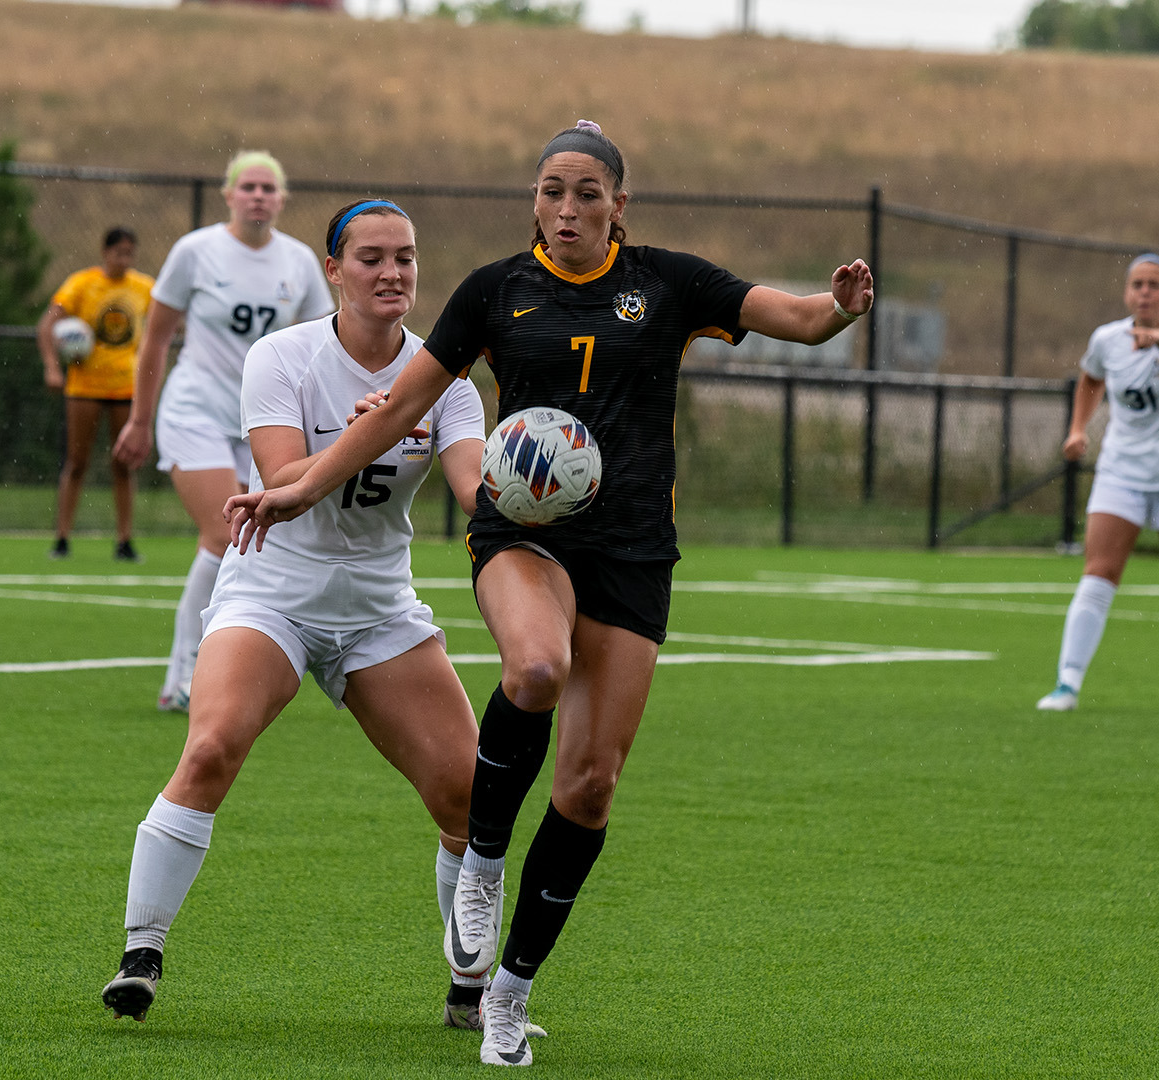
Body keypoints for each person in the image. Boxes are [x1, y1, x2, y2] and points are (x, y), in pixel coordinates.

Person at [225, 120, 874, 1068]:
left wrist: (841, 306)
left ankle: (509, 996)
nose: (565, 209)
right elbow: (403, 405)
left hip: (633, 553)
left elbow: (800, 318)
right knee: (533, 667)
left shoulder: (671, 284)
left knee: (591, 784)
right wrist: (297, 488)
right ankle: (482, 864)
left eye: (585, 193)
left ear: (619, 203)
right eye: (550, 191)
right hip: (523, 534)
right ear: (534, 200)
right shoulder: (494, 292)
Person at [101, 199, 503, 1030]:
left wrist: (521, 481)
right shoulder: (282, 356)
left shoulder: (448, 381)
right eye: (371, 258)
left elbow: (474, 491)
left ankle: (471, 992)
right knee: (210, 747)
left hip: (378, 606)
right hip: (273, 592)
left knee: (468, 798)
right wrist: (367, 435)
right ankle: (141, 954)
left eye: (406, 257)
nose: (393, 273)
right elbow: (282, 482)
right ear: (333, 271)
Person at [113, 151, 334, 712]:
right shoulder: (197, 252)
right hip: (196, 411)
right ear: (229, 195)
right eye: (249, 186)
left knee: (247, 547)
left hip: (261, 420)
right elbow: (157, 339)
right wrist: (140, 419)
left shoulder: (300, 261)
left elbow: (318, 348)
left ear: (282, 200)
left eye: (269, 188)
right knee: (223, 535)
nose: (258, 196)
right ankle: (182, 677)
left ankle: (227, 668)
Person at [1037, 253, 1159, 719]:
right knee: (1097, 577)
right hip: (1121, 473)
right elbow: (1091, 377)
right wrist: (1078, 428)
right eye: (1137, 285)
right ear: (1127, 293)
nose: (1145, 292)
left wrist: (1156, 339)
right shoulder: (1108, 338)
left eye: (1154, 285)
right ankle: (1067, 683)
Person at [39, 226, 152, 562]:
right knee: (76, 462)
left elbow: (168, 323)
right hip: (84, 388)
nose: (124, 259)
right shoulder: (81, 284)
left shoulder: (144, 287)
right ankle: (61, 538)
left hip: (125, 387)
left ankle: (124, 541)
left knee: (123, 465)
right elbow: (47, 325)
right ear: (105, 253)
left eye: (129, 253)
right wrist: (52, 366)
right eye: (118, 252)